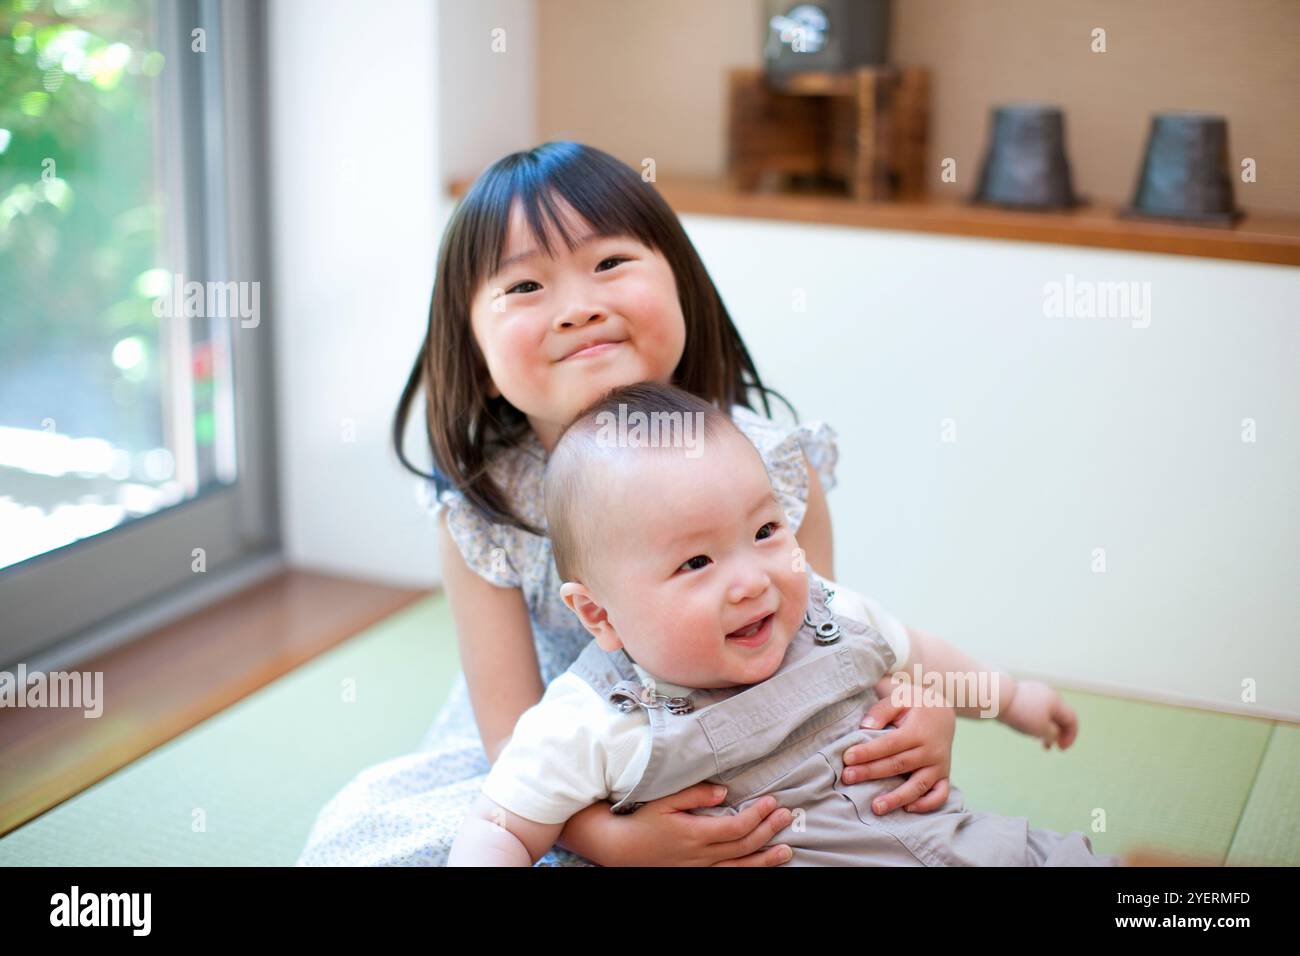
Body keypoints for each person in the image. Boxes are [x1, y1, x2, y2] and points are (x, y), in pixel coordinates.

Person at [299, 142, 959, 867]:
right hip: (551, 785)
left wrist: (919, 705)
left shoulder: (771, 462)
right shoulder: (486, 511)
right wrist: (606, 838)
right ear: (478, 361)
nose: (578, 309)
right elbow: (512, 740)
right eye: (524, 288)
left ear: (683, 287)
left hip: (749, 755)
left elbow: (821, 649)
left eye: (609, 264)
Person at [449, 382, 1118, 866]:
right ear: (599, 614)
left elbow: (922, 654)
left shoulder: (829, 616)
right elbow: (500, 825)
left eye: (766, 530)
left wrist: (1012, 699)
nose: (752, 579)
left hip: (958, 844)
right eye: (696, 562)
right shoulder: (596, 717)